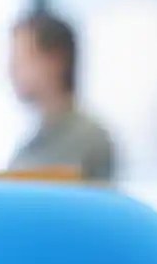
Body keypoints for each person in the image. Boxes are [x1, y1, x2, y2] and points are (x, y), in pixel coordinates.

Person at [7, 11, 117, 181]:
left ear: (56, 60)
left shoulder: (88, 138)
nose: (12, 71)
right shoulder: (30, 144)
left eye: (22, 59)